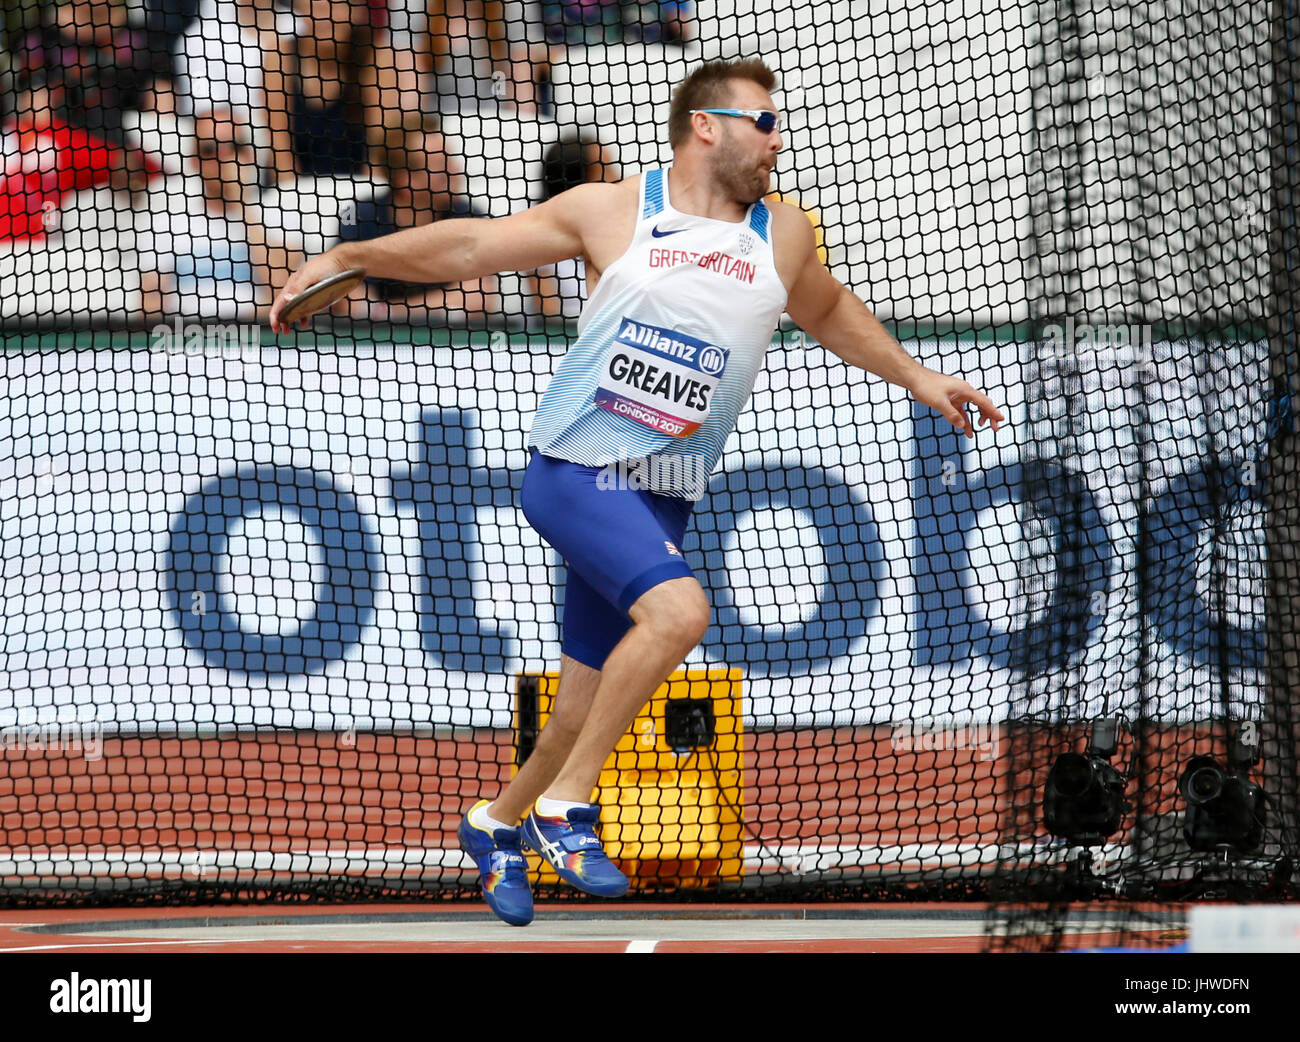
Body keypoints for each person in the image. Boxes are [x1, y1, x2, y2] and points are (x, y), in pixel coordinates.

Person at [269, 57, 1005, 926]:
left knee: (578, 705)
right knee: (681, 615)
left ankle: (497, 820)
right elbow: (471, 244)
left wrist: (917, 375)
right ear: (707, 124)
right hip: (578, 468)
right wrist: (354, 256)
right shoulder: (616, 207)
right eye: (762, 122)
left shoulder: (786, 233)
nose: (778, 139)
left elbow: (829, 308)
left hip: (663, 492)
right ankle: (567, 809)